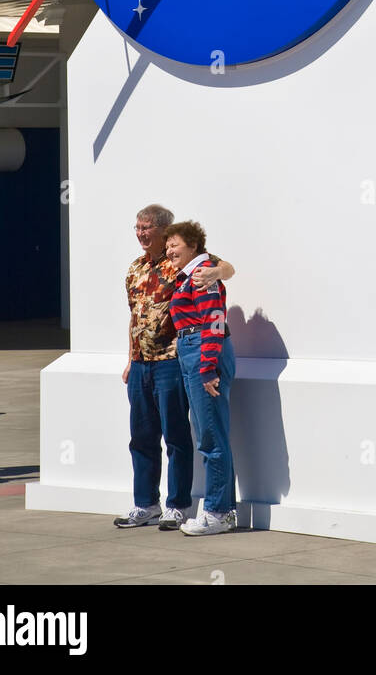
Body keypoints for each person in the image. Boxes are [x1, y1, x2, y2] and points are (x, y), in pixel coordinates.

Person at [114, 205, 234, 532]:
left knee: (183, 436)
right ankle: (145, 504)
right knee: (142, 436)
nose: (140, 233)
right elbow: (135, 316)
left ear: (166, 233)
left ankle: (185, 506)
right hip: (143, 362)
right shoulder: (136, 268)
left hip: (175, 359)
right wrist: (130, 358)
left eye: (147, 228)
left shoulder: (192, 268)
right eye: (136, 227)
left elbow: (223, 273)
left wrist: (216, 272)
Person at [166, 221, 237, 537]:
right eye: (167, 245)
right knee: (210, 432)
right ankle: (221, 510)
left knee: (210, 434)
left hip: (203, 353)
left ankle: (218, 513)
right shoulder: (190, 275)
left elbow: (214, 321)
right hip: (191, 350)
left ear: (193, 245)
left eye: (174, 244)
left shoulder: (203, 273)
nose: (169, 250)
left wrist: (207, 367)